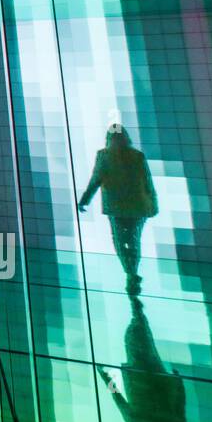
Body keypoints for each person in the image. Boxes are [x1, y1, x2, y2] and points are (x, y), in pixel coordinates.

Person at [78, 123, 157, 294]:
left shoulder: (104, 156)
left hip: (116, 207)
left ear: (108, 138)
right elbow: (148, 181)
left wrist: (85, 199)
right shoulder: (137, 156)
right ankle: (132, 272)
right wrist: (153, 204)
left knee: (120, 241)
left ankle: (130, 273)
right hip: (138, 206)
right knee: (134, 240)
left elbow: (96, 179)